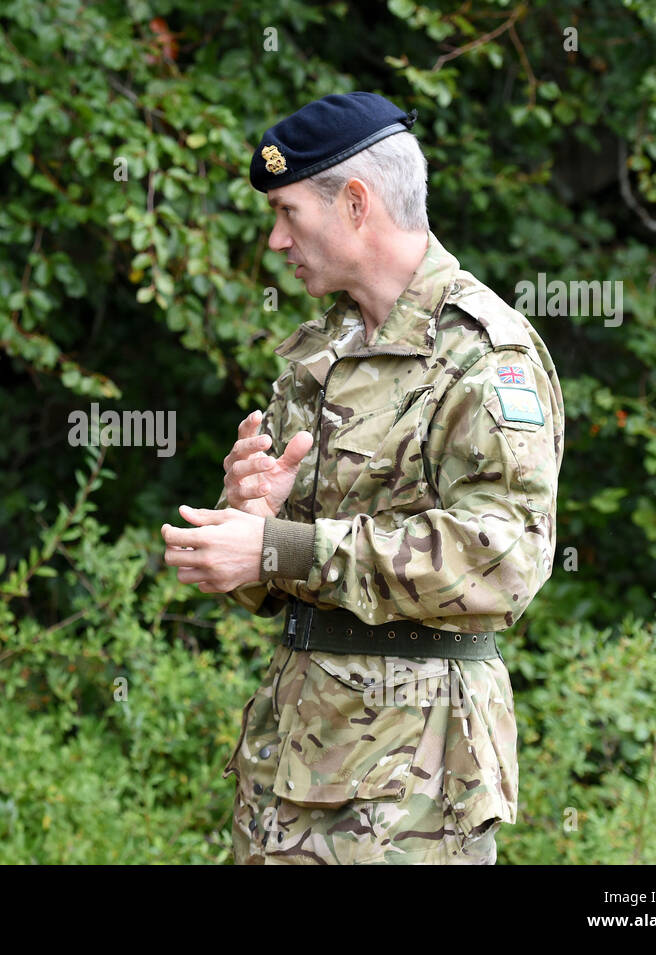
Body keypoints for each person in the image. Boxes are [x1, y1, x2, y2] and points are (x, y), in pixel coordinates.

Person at [161, 92, 564, 864]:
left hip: (413, 784)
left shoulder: (485, 354)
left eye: (288, 213)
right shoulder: (325, 349)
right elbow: (264, 576)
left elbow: (503, 560)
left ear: (354, 203)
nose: (276, 240)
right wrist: (248, 512)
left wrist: (284, 546)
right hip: (293, 764)